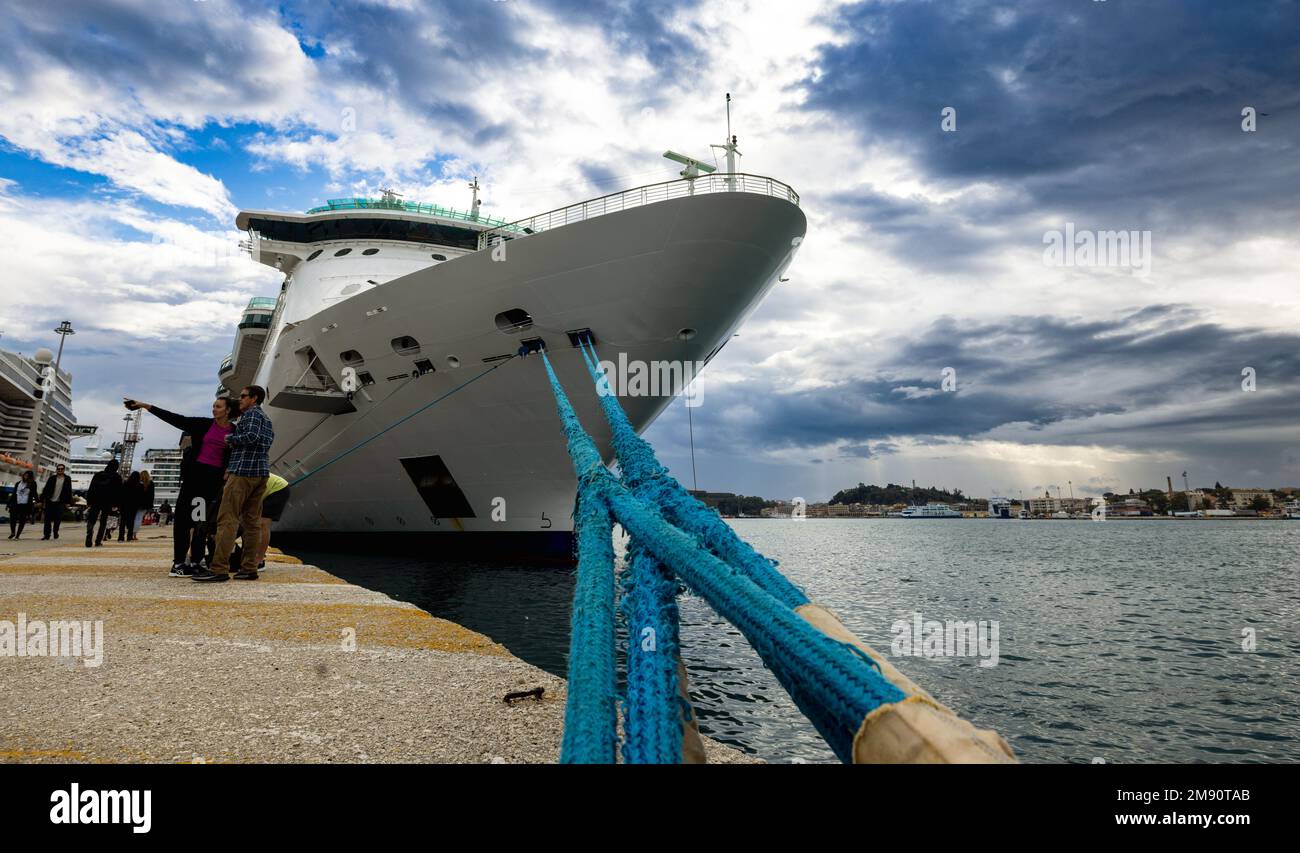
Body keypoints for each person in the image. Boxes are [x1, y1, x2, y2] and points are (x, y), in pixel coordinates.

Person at [124, 395, 235, 576]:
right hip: (194, 479)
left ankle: (197, 561)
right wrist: (146, 406)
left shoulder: (234, 431)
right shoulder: (204, 424)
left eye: (218, 407)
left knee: (199, 522)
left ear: (228, 410)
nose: (214, 409)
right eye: (213, 406)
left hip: (211, 482)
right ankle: (178, 563)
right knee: (184, 521)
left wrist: (228, 471)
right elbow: (177, 419)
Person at [197, 385, 274, 582]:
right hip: (261, 473)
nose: (239, 400)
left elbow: (251, 437)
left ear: (254, 398)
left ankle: (219, 568)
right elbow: (267, 440)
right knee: (252, 522)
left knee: (227, 519)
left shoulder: (251, 415)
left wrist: (230, 438)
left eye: (243, 396)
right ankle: (249, 567)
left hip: (243, 473)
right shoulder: (267, 418)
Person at [84, 460, 122, 547]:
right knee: (103, 521)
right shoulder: (117, 477)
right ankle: (98, 541)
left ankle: (89, 536)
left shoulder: (98, 475)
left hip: (95, 500)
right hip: (107, 502)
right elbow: (118, 492)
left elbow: (91, 488)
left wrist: (89, 501)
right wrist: (116, 504)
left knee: (91, 519)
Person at [40, 463, 74, 540]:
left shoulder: (67, 479)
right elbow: (46, 489)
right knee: (47, 519)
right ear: (56, 470)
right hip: (50, 501)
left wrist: (68, 502)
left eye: (61, 469)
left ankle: (55, 532)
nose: (60, 470)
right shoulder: (52, 478)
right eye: (58, 469)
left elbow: (69, 490)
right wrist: (41, 500)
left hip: (60, 502)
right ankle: (46, 535)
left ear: (64, 470)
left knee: (57, 519)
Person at [7, 471, 38, 539]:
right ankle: (13, 532)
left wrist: (37, 501)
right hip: (15, 503)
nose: (25, 476)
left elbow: (34, 493)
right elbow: (14, 494)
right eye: (24, 475)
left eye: (27, 476)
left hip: (25, 505)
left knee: (22, 520)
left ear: (30, 477)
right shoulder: (18, 483)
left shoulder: (32, 484)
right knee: (12, 519)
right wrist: (8, 504)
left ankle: (17, 535)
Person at [117, 471, 144, 542]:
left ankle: (121, 537)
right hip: (134, 506)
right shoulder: (140, 485)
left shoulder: (125, 483)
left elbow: (121, 494)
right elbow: (140, 497)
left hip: (124, 505)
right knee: (132, 521)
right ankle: (129, 537)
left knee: (122, 521)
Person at [130, 470, 154, 540]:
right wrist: (150, 505)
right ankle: (134, 534)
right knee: (139, 519)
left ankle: (130, 533)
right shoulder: (151, 483)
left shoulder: (137, 483)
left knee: (133, 518)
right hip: (144, 504)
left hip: (135, 503)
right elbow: (151, 495)